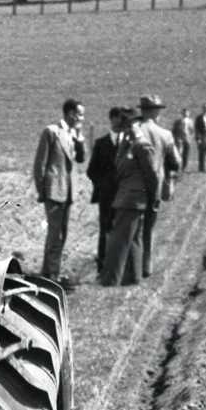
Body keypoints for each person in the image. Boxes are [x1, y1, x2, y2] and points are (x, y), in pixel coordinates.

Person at [99, 95, 174, 286]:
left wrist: (153, 194)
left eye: (128, 123)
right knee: (135, 238)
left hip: (133, 197)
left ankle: (110, 279)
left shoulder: (141, 144)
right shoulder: (133, 142)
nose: (125, 126)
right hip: (134, 196)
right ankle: (134, 276)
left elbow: (151, 171)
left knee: (119, 239)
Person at [31, 98, 86, 288]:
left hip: (68, 191)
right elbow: (39, 164)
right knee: (56, 234)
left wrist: (80, 139)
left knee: (61, 233)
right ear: (71, 113)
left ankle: (49, 272)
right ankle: (52, 274)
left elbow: (81, 158)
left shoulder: (73, 134)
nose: (82, 118)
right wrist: (42, 191)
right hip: (54, 190)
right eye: (80, 114)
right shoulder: (52, 132)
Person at [86, 106, 128, 282]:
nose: (123, 121)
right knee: (105, 230)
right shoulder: (101, 144)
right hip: (106, 196)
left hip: (125, 195)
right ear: (112, 119)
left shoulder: (129, 144)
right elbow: (91, 170)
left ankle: (120, 269)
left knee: (123, 231)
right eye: (120, 118)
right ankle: (102, 269)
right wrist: (103, 185)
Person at [172, 109, 194, 173]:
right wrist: (175, 138)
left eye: (187, 113)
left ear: (189, 113)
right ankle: (177, 167)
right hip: (179, 139)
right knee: (179, 153)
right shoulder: (177, 121)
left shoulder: (190, 121)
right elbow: (173, 131)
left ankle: (184, 168)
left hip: (187, 139)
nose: (185, 114)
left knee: (186, 154)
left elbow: (192, 131)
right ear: (182, 113)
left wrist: (190, 138)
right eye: (184, 113)